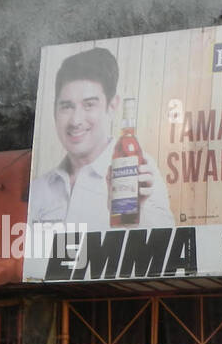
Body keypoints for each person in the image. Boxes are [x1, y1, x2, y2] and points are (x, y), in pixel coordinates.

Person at [28, 46, 173, 232]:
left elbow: (166, 246)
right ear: (54, 110)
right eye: (66, 106)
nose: (76, 121)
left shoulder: (141, 173)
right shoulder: (38, 189)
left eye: (89, 105)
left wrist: (137, 214)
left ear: (112, 106)